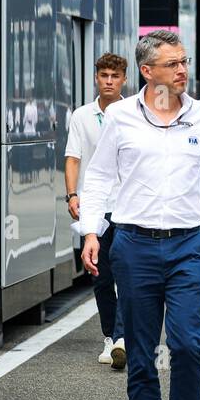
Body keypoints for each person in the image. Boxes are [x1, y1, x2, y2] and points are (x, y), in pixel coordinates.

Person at [79, 30, 200, 400]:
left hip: (189, 245)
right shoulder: (123, 117)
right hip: (133, 247)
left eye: (185, 62)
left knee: (188, 346)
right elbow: (100, 175)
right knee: (142, 358)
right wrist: (92, 231)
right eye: (174, 64)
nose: (184, 71)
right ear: (147, 71)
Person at [65, 52, 128, 369]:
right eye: (104, 75)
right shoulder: (81, 116)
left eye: (114, 76)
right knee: (101, 277)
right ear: (96, 78)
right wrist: (72, 194)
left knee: (126, 275)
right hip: (95, 207)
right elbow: (73, 158)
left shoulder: (133, 114)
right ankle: (110, 336)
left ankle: (121, 337)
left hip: (127, 207)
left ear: (124, 80)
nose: (109, 81)